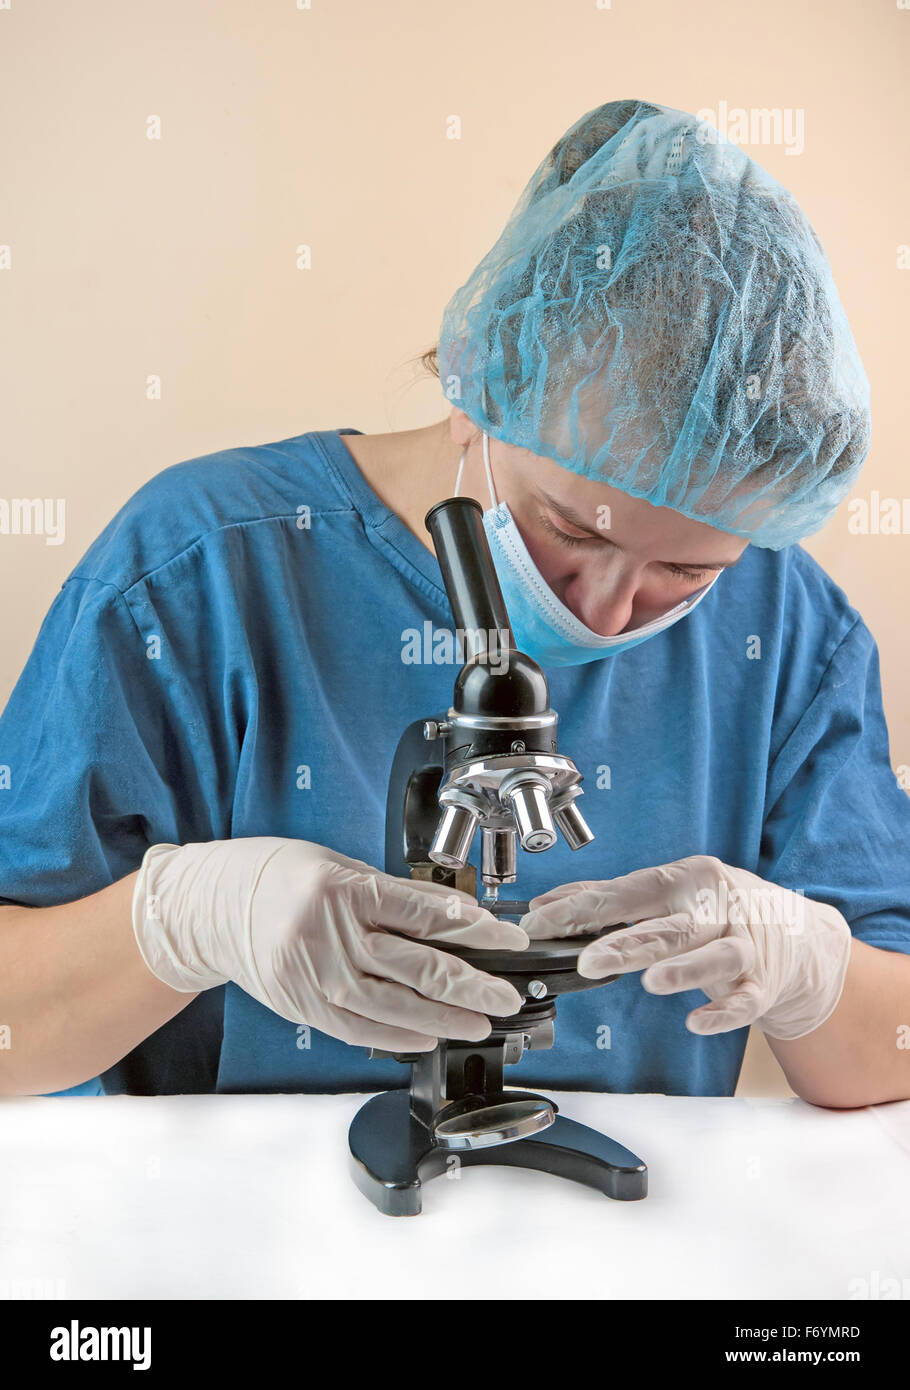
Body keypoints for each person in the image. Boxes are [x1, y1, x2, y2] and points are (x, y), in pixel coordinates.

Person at [2, 99, 909, 1108]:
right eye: (574, 530)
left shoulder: (788, 635)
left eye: (686, 574)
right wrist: (186, 919)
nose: (608, 614)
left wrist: (807, 968)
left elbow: (891, 1046)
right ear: (480, 389)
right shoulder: (196, 573)